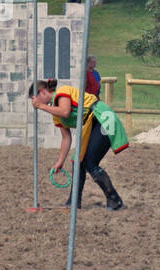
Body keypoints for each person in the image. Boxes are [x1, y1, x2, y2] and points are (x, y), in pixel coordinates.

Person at [29, 76, 127, 211]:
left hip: (101, 117)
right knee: (78, 160)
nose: (34, 103)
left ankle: (115, 200)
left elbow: (65, 111)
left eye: (34, 99)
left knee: (89, 162)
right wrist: (60, 161)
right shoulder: (55, 114)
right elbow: (66, 138)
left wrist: (41, 106)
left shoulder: (61, 93)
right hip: (91, 124)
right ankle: (74, 201)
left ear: (42, 92)